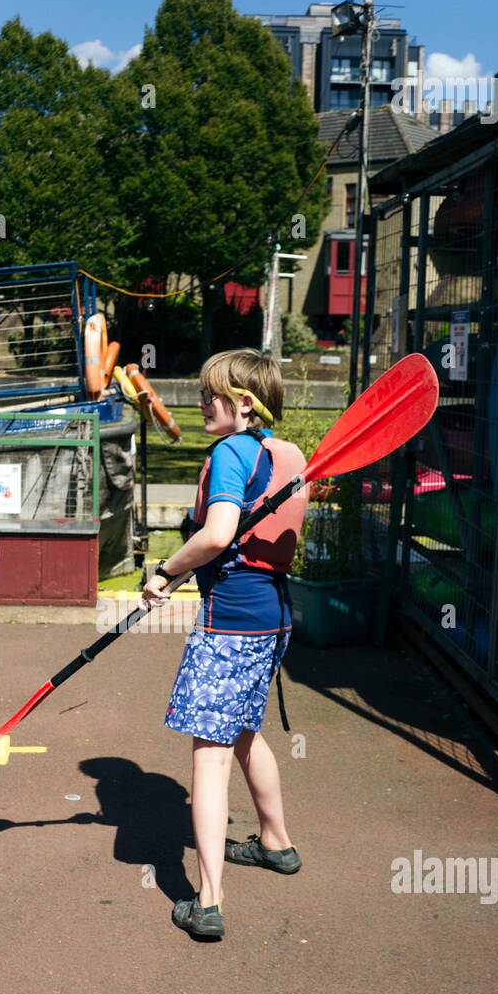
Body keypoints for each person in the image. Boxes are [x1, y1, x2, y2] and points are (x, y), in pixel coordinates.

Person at [142, 348, 309, 941]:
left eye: (210, 395)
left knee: (209, 755)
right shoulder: (289, 454)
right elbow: (248, 538)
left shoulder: (230, 452)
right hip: (274, 619)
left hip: (231, 625)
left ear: (243, 403)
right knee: (244, 730)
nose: (199, 403)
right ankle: (276, 842)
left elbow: (217, 535)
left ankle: (208, 900)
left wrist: (164, 571)